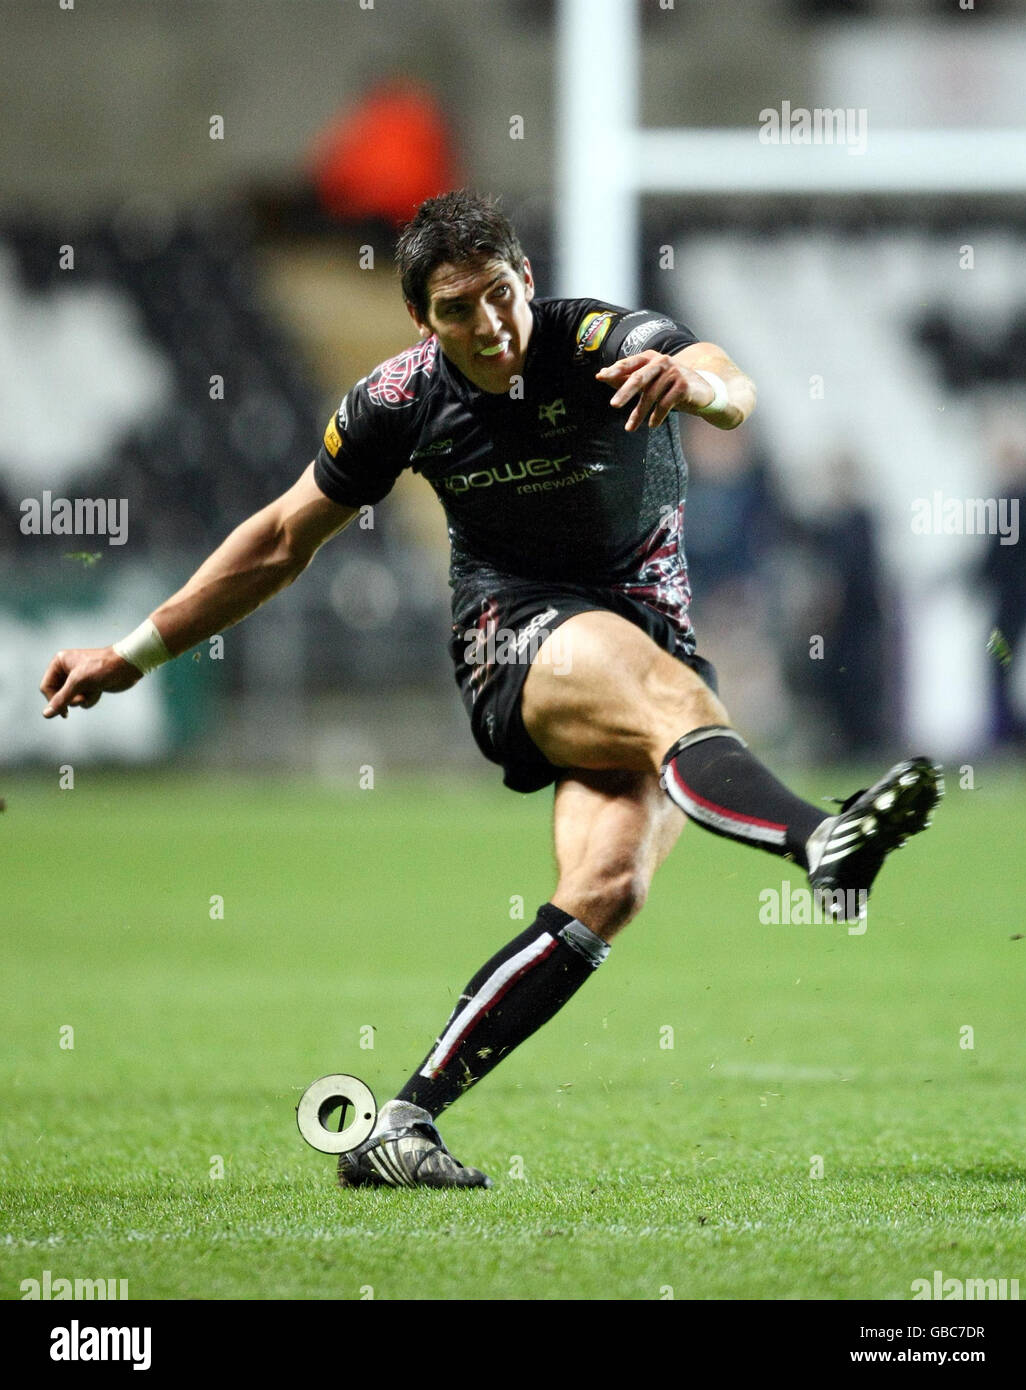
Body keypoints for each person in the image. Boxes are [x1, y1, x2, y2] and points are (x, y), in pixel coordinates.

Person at [39, 190, 942, 1190]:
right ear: (424, 322)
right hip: (514, 639)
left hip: (648, 637)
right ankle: (821, 842)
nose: (491, 324)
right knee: (672, 702)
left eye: (501, 295)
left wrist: (691, 381)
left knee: (607, 888)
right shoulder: (396, 400)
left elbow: (730, 379)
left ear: (528, 284)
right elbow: (282, 537)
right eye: (458, 308)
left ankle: (401, 1121)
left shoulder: (591, 337)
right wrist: (132, 654)